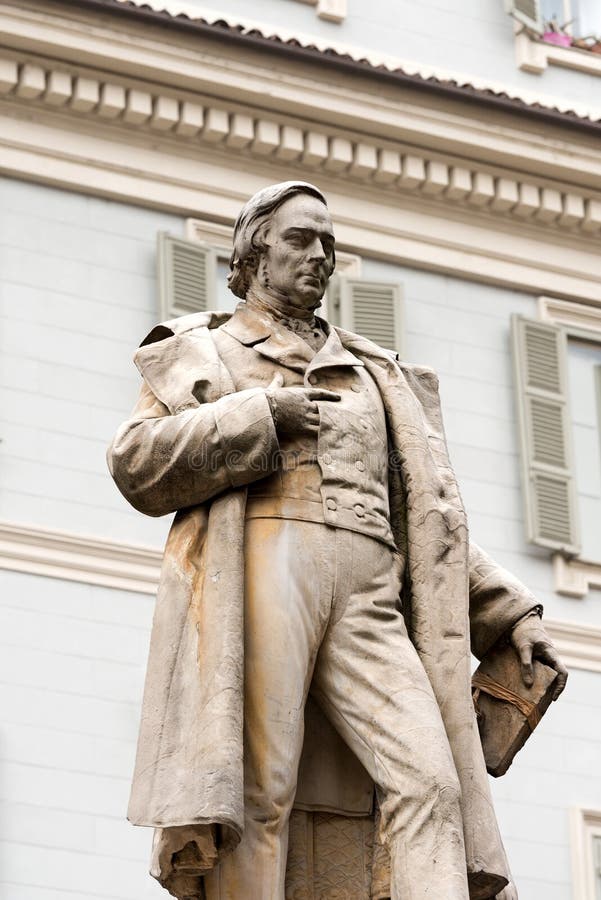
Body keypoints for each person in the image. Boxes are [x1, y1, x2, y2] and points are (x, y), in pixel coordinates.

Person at [108, 181, 567, 900]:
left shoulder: (375, 373)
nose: (318, 254)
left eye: (327, 242)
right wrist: (263, 415)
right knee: (261, 785)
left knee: (431, 781)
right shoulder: (206, 351)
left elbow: (429, 523)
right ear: (253, 253)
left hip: (371, 586)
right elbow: (136, 462)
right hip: (268, 563)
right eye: (299, 238)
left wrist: (511, 612)